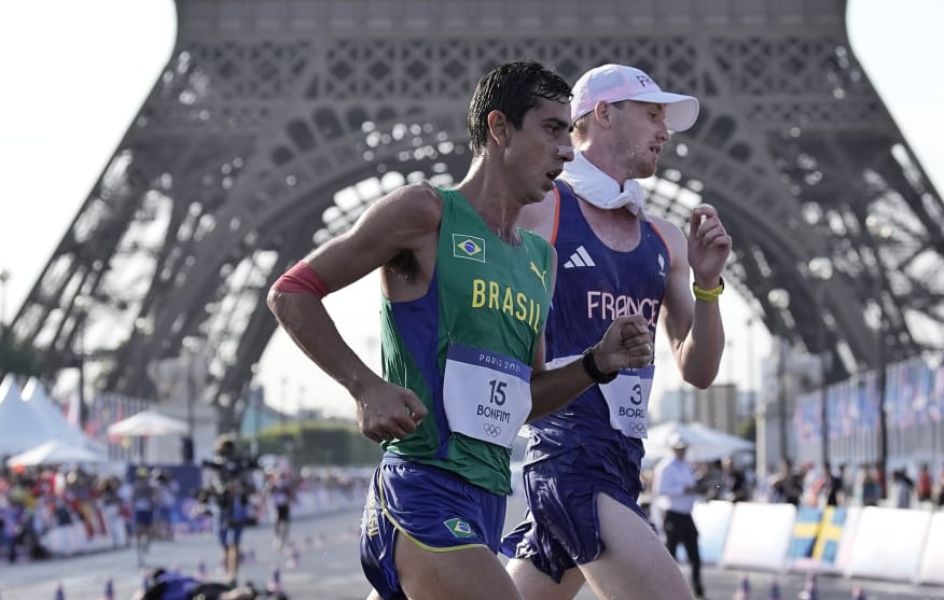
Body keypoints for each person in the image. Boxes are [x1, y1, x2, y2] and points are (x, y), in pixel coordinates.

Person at [267, 60, 655, 600]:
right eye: (551, 129)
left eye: (570, 132)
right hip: (421, 486)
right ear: (499, 129)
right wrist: (364, 386)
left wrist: (596, 362)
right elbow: (291, 290)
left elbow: (524, 398)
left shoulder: (541, 260)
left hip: (488, 501)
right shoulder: (426, 212)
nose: (567, 151)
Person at [499, 63, 729, 600]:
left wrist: (709, 284)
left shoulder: (665, 239)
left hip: (623, 460)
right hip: (569, 459)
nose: (664, 131)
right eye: (652, 114)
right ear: (602, 114)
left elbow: (699, 370)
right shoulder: (542, 211)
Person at [652, 436, 705, 599]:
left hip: (686, 514)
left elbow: (691, 487)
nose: (682, 451)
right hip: (673, 514)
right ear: (673, 449)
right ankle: (665, 591)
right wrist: (684, 489)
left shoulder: (686, 466)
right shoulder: (666, 467)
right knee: (670, 556)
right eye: (679, 448)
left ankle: (698, 590)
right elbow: (659, 490)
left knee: (695, 555)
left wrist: (696, 489)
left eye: (684, 448)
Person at [200, 435, 257, 586]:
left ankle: (233, 574)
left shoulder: (241, 467)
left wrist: (239, 487)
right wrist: (218, 492)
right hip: (221, 507)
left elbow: (252, 486)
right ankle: (227, 569)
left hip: (238, 507)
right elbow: (209, 486)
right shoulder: (215, 467)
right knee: (223, 541)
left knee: (235, 543)